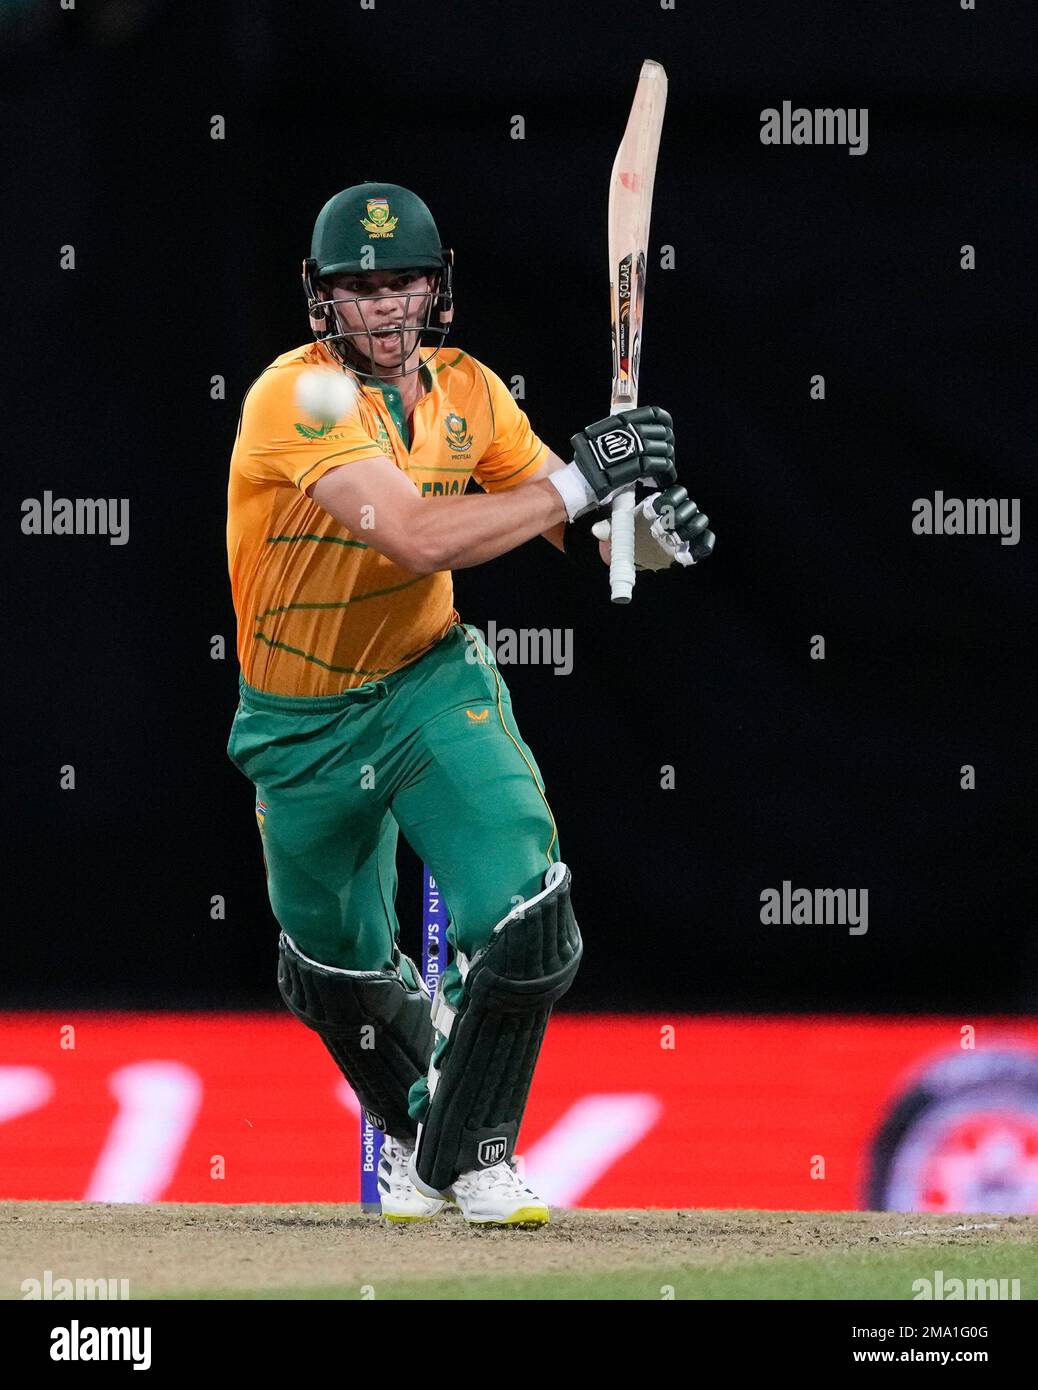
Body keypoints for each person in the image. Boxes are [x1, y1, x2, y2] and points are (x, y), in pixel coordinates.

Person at [225, 181, 714, 1227]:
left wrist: (649, 528)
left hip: (426, 683)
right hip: (298, 723)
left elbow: (576, 531)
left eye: (402, 280)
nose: (385, 306)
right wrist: (587, 480)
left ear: (436, 288)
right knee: (328, 969)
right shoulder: (296, 399)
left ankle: (468, 1154)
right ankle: (431, 1128)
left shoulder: (473, 394)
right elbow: (417, 537)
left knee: (530, 917)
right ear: (322, 300)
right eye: (360, 287)